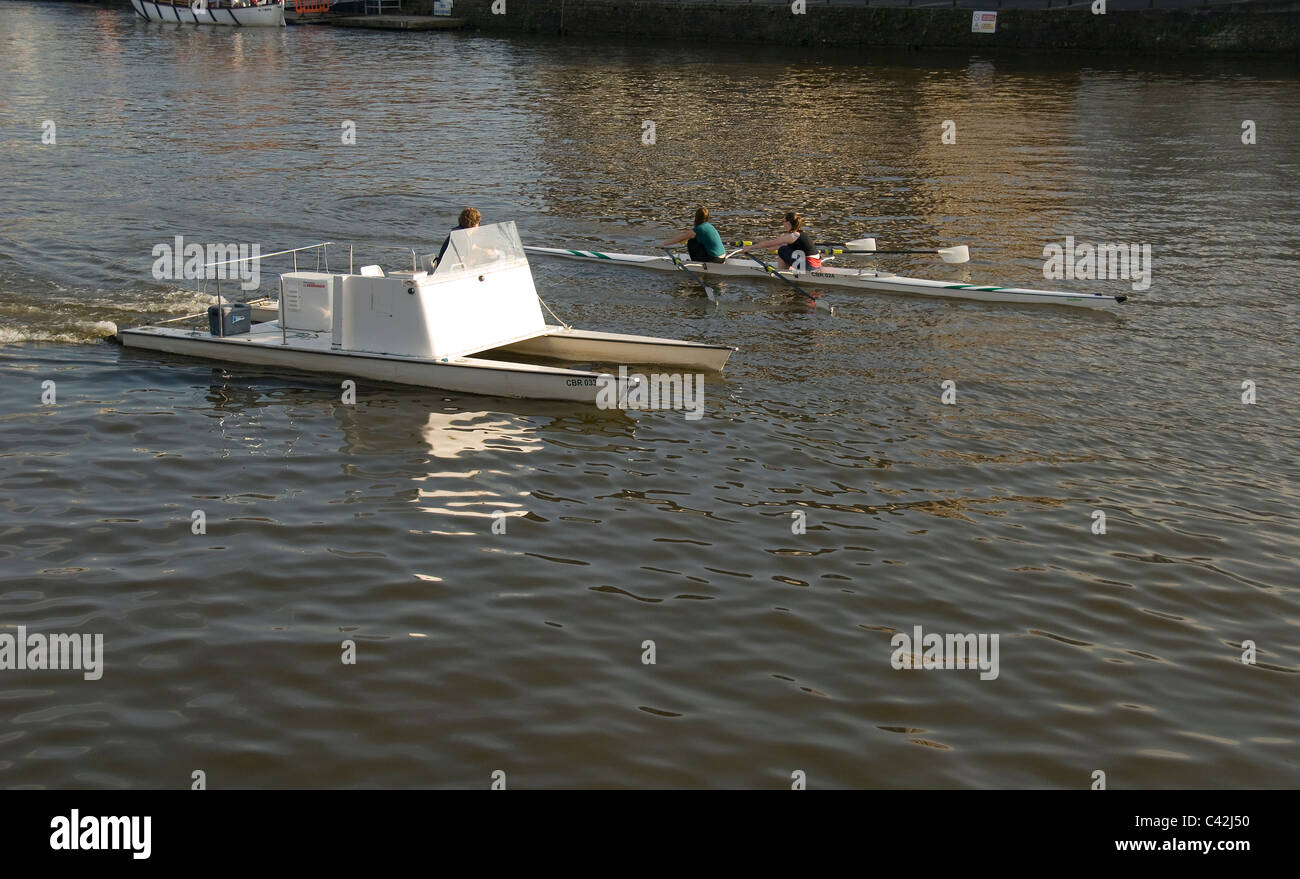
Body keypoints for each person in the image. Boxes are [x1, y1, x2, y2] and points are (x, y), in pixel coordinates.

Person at [734, 211, 822, 271]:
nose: (782, 224)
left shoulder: (791, 236)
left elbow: (768, 243)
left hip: (809, 266)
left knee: (782, 250)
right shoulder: (801, 234)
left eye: (783, 221)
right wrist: (770, 249)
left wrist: (749, 248)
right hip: (817, 265)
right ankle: (788, 270)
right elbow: (780, 246)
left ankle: (784, 273)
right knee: (783, 248)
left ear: (788, 223)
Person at [659, 207, 726, 264]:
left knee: (691, 242)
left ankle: (695, 263)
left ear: (696, 217)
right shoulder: (710, 226)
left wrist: (663, 244)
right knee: (694, 240)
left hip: (714, 260)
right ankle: (720, 262)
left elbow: (679, 239)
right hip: (723, 257)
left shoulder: (698, 229)